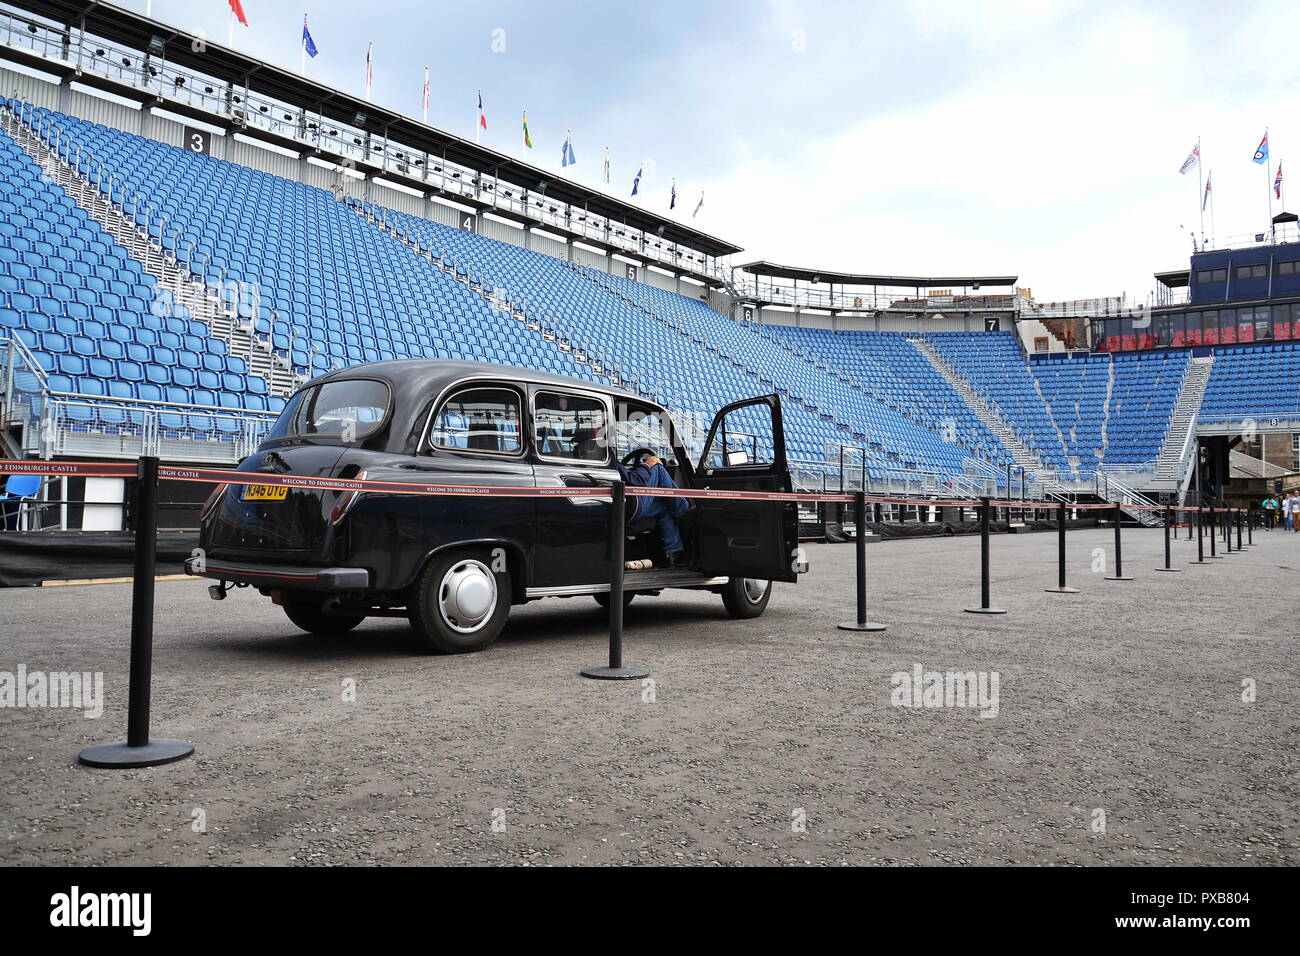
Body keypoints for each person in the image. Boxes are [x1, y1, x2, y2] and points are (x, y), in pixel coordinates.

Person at [618, 452, 691, 567]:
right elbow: (634, 481)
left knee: (664, 506)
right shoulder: (608, 458)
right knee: (657, 467)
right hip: (629, 507)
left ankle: (674, 553)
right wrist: (646, 465)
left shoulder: (600, 459)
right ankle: (684, 513)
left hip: (622, 507)